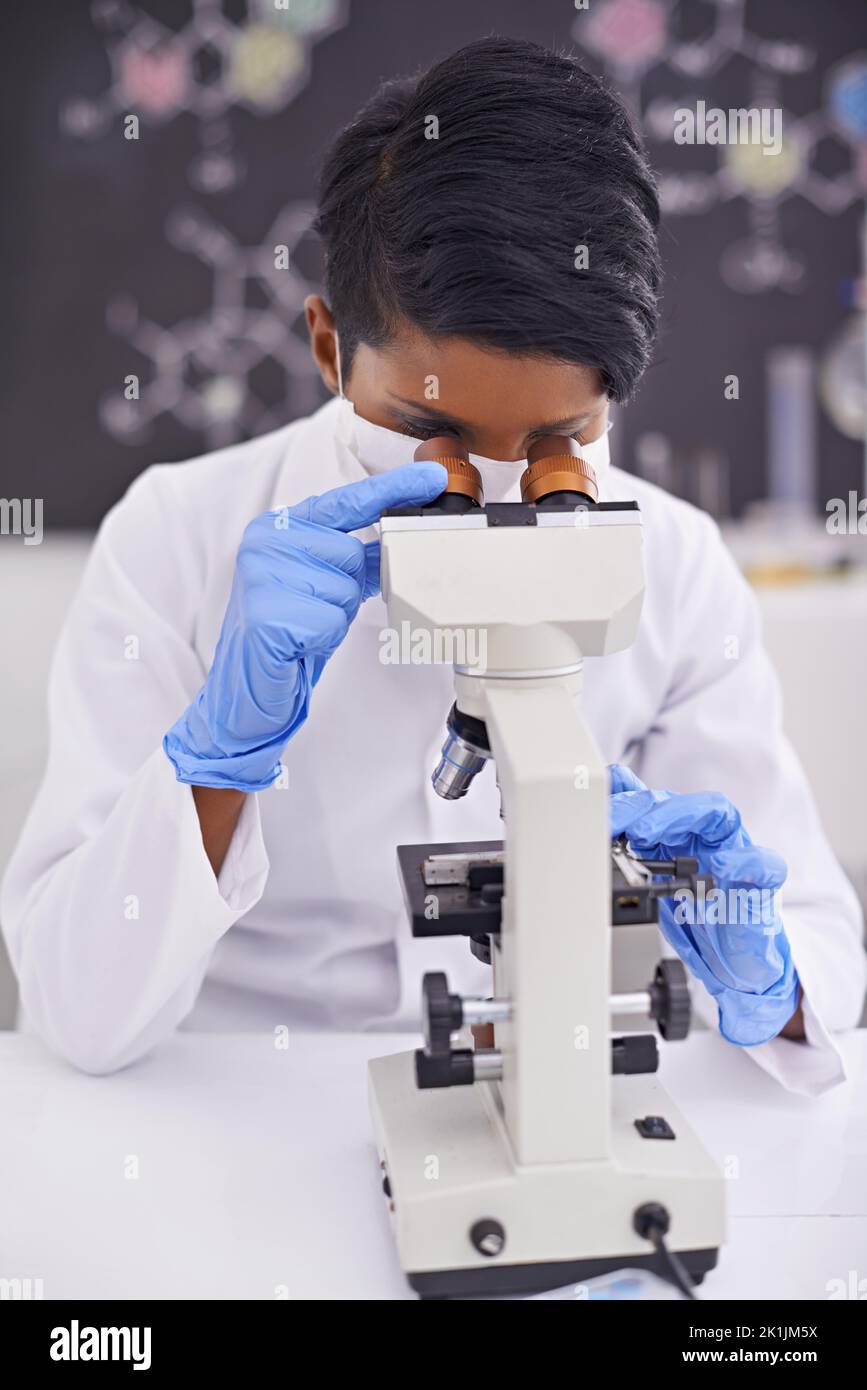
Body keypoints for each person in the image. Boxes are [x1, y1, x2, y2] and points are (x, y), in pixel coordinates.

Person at [2, 38, 863, 1090]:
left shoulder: (676, 564)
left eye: (560, 444)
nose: (498, 490)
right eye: (433, 431)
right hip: (240, 1103)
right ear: (328, 347)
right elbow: (72, 1010)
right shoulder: (178, 538)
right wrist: (216, 761)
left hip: (562, 1070)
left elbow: (819, 951)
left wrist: (764, 972)